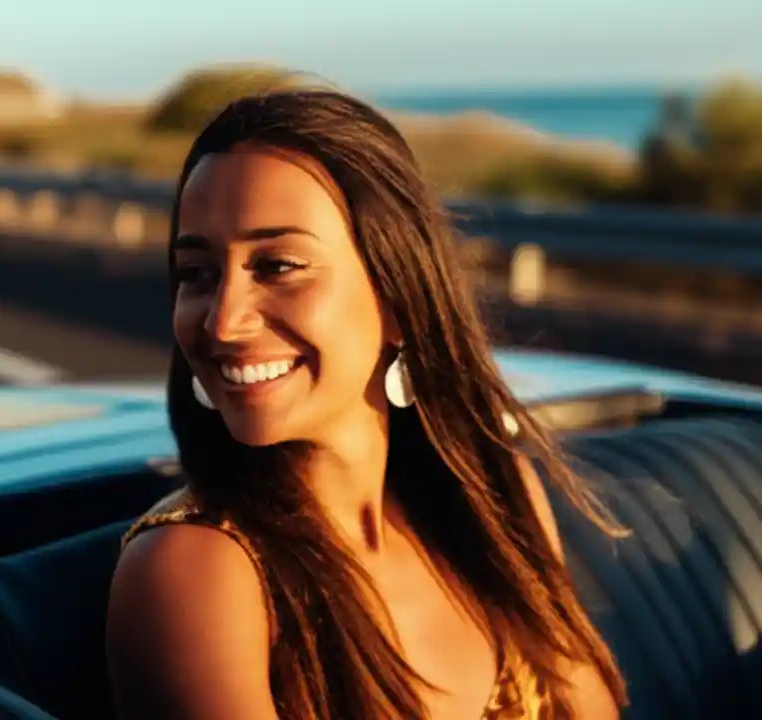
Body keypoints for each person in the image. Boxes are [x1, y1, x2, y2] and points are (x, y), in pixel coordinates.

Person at [106, 86, 630, 720]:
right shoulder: (201, 569)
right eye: (198, 274)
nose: (222, 323)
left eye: (278, 266)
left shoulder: (496, 500)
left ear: (398, 294)